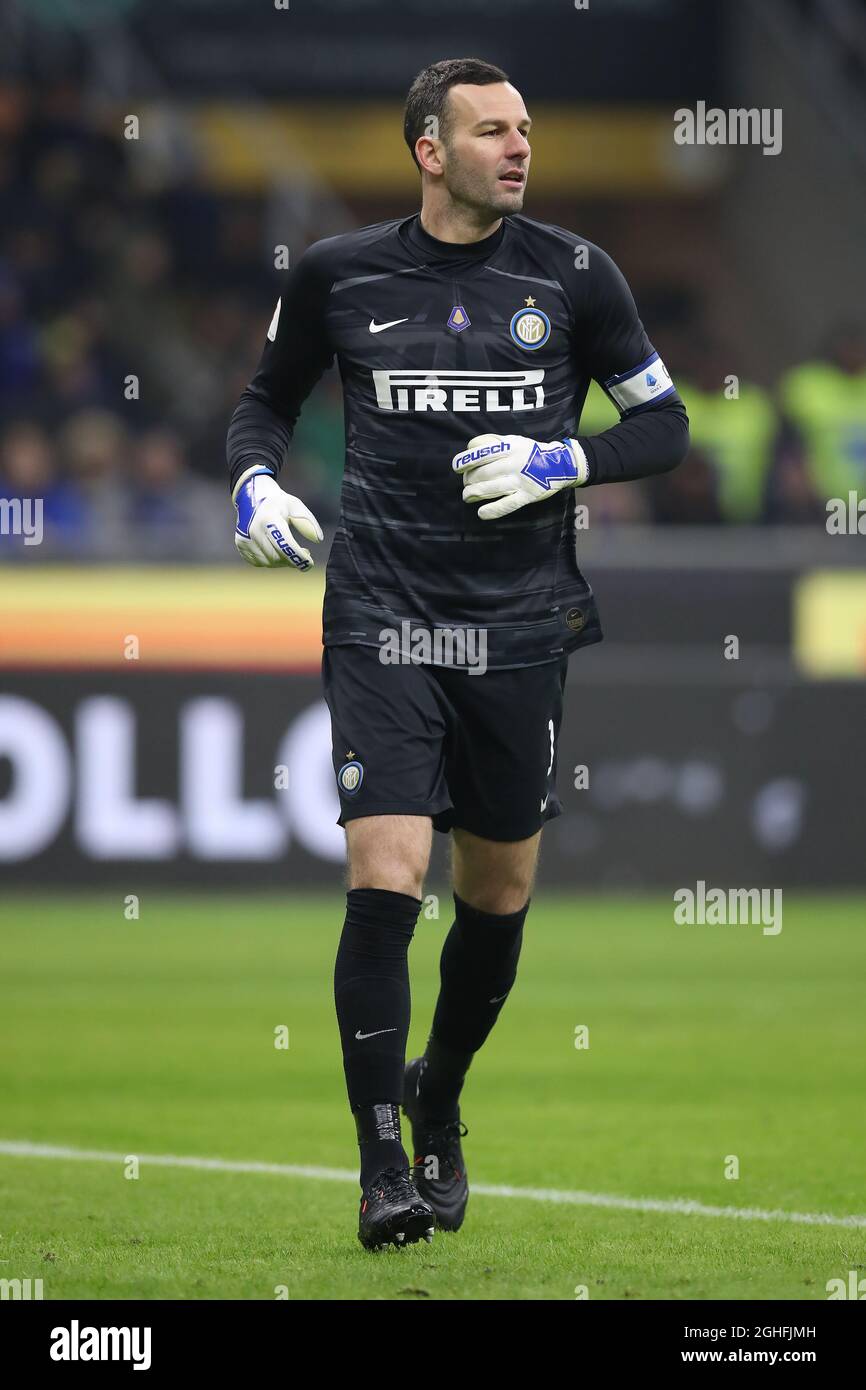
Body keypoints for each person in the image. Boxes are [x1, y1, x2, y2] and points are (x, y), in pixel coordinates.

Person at [226, 57, 689, 1251]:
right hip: (380, 611)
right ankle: (382, 1157)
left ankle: (439, 1092)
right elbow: (262, 400)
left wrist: (563, 459)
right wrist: (253, 480)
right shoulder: (337, 271)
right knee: (384, 875)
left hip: (519, 622)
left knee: (495, 896)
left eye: (524, 127)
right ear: (428, 151)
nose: (518, 146)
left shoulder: (577, 276)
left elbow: (664, 422)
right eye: (490, 130)